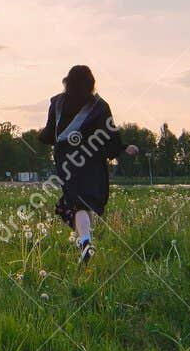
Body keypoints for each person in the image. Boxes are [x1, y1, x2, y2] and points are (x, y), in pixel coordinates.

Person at [38, 65, 137, 266]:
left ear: (67, 81)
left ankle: (84, 240)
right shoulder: (99, 106)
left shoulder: (57, 103)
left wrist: (41, 136)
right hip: (91, 161)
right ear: (91, 83)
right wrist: (123, 148)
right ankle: (85, 241)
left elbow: (50, 134)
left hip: (67, 162)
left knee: (76, 204)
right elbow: (109, 135)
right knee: (84, 203)